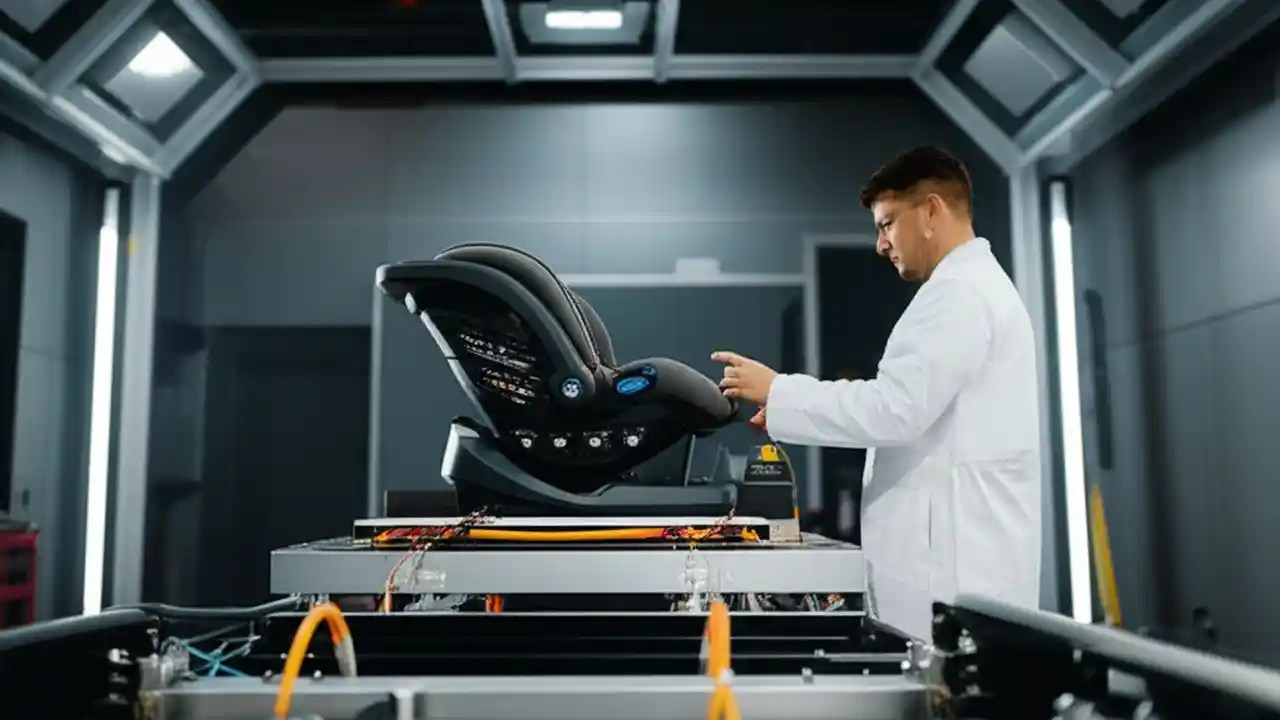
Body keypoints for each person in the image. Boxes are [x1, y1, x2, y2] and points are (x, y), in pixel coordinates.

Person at [712, 146, 1041, 640]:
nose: (881, 245)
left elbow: (895, 410)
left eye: (887, 224)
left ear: (930, 211)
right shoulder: (973, 288)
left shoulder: (960, 294)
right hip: (962, 563)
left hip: (952, 572)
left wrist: (778, 391)